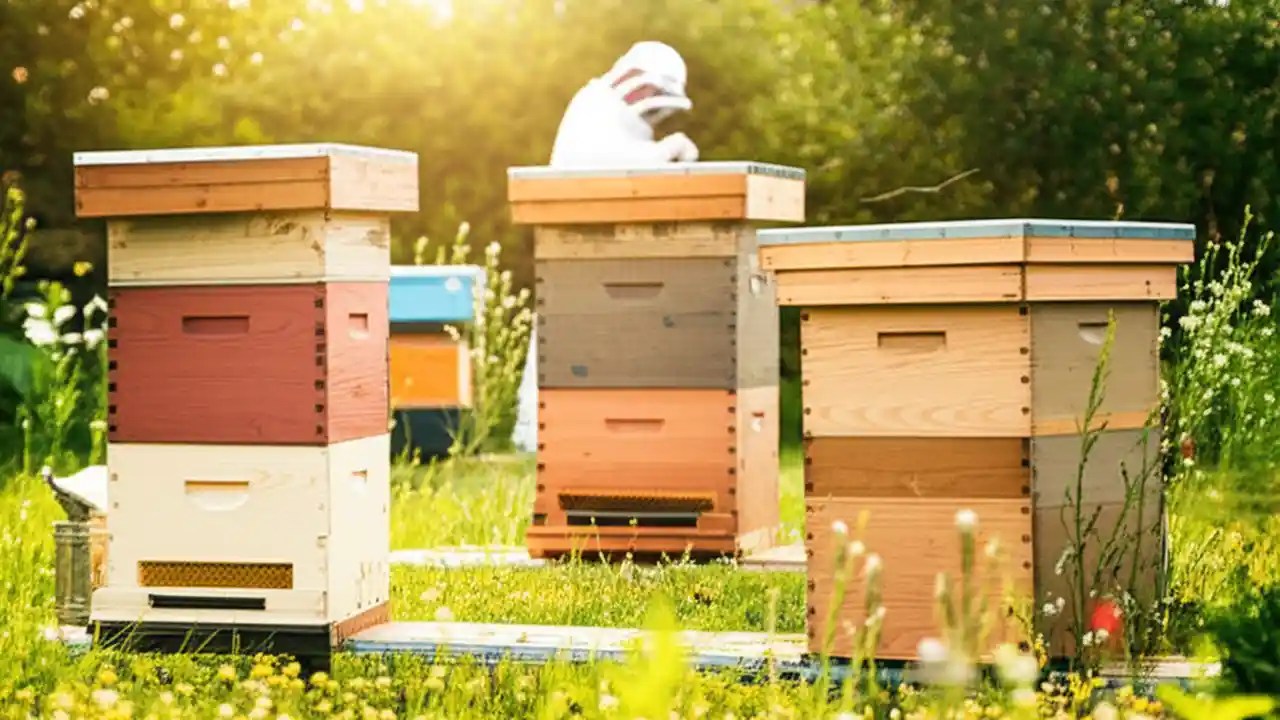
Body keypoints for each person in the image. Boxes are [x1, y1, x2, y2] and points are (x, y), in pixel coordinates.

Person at [548, 41, 699, 167]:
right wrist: (665, 150)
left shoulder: (630, 118)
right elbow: (603, 160)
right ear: (632, 75)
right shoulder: (594, 101)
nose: (648, 96)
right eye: (655, 91)